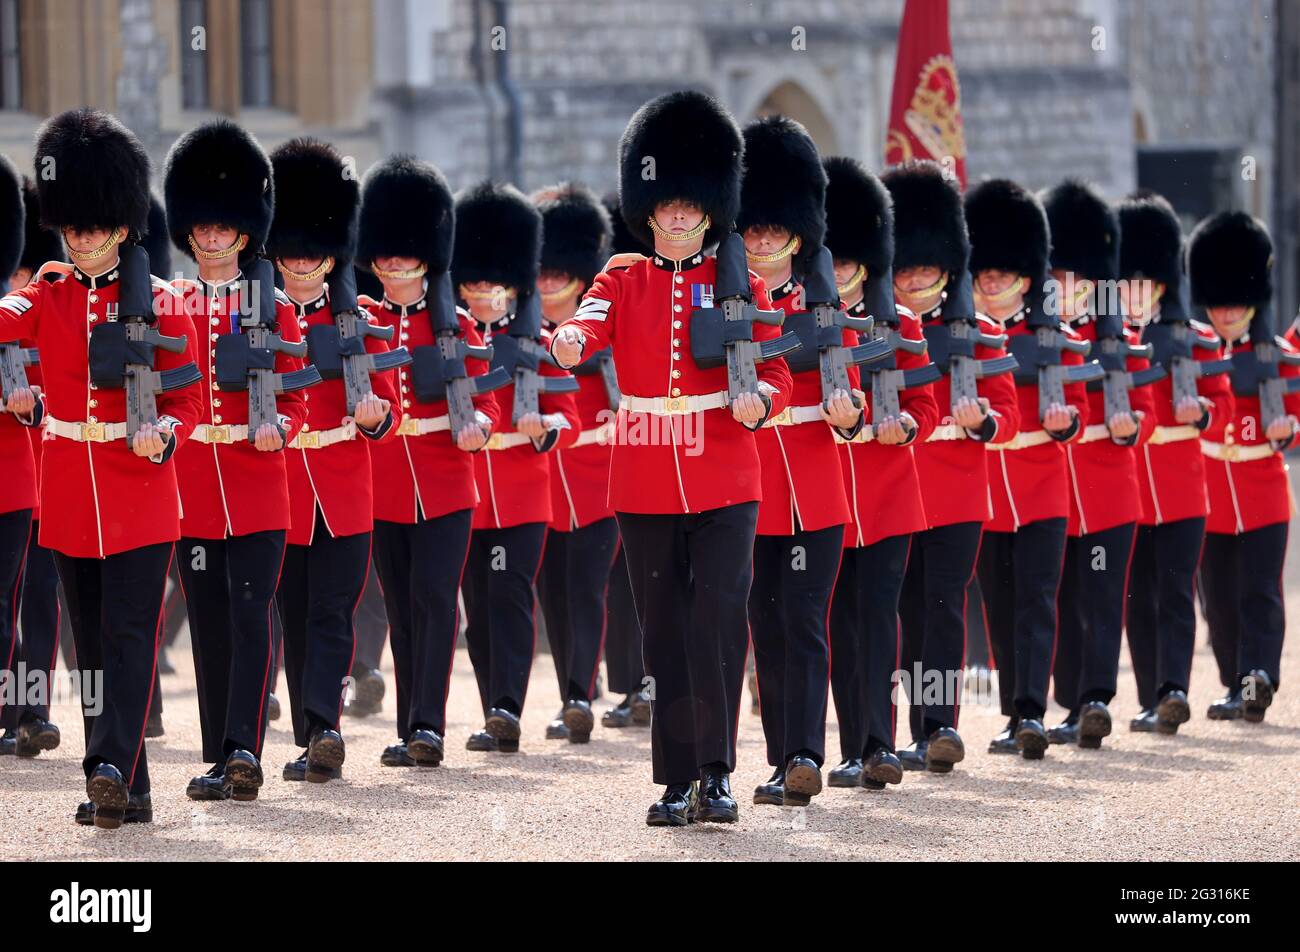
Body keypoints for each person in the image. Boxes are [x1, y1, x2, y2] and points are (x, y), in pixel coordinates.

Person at [551, 91, 792, 826]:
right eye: (668, 206)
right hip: (648, 475)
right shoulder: (622, 276)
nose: (680, 216)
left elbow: (776, 372)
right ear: (648, 208)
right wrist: (570, 340)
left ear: (711, 209)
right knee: (664, 630)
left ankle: (716, 774)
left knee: (717, 625)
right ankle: (674, 775)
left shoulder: (741, 284)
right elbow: (591, 318)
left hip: (726, 474)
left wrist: (765, 403)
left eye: (692, 205)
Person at [0, 109, 203, 827]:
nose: (82, 239)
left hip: (140, 491)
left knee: (128, 635)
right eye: (72, 227)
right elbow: (4, 319)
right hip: (67, 493)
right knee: (90, 649)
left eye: (94, 226)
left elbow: (191, 394)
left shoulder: (166, 302)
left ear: (122, 224)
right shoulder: (49, 291)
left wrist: (166, 431)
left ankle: (108, 767)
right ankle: (131, 786)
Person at [163, 119, 307, 802]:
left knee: (252, 614)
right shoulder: (168, 306)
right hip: (192, 486)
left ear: (246, 235)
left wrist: (282, 422)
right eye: (204, 229)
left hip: (258, 485)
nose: (214, 239)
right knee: (210, 625)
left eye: (226, 229)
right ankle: (220, 753)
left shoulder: (274, 308)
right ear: (190, 234)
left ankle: (245, 748)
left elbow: (302, 389)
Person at [267, 138, 400, 784]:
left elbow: (391, 401)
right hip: (283, 488)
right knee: (294, 613)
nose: (300, 264)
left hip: (345, 487)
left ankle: (325, 727)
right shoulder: (256, 316)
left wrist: (376, 416)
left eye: (311, 252)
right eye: (290, 252)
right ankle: (308, 729)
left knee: (330, 612)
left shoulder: (365, 316)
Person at [360, 154, 498, 768]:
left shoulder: (460, 328)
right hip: (386, 483)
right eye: (384, 254)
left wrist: (481, 426)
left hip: (445, 482)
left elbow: (487, 400)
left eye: (402, 253)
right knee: (399, 605)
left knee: (436, 598)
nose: (392, 264)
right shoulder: (362, 325)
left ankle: (428, 723)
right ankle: (407, 723)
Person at [738, 117, 856, 808]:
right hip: (748, 491)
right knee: (767, 626)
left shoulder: (825, 305)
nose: (760, 240)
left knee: (804, 624)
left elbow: (858, 389)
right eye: (751, 228)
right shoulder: (724, 302)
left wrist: (854, 415)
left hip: (814, 488)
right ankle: (784, 758)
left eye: (772, 228)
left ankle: (808, 752)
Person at [888, 159, 1018, 775]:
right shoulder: (880, 330)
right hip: (897, 484)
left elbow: (1010, 414)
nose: (914, 280)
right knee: (902, 607)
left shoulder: (982, 334)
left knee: (942, 605)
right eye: (905, 267)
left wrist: (983, 422)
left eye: (926, 269)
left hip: (960, 490)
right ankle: (901, 728)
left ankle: (939, 726)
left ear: (948, 269)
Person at [966, 178, 1088, 761]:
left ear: (1025, 277)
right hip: (988, 489)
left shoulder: (1055, 339)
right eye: (984, 275)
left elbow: (1080, 414)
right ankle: (1016, 710)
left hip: (1043, 487)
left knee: (1038, 598)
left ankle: (1034, 710)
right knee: (1000, 601)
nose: (992, 284)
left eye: (1002, 275)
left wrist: (1064, 420)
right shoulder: (966, 339)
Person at [457, 182, 579, 754]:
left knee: (510, 596)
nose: (484, 293)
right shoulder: (452, 341)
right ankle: (492, 709)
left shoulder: (542, 341)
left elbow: (568, 417)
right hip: (466, 493)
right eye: (474, 282)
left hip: (524, 492)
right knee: (477, 612)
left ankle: (508, 705)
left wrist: (543, 430)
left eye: (493, 283)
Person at [829, 159, 939, 788]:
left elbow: (923, 401)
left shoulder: (901, 323)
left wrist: (909, 425)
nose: (840, 274)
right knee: (839, 622)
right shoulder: (802, 322)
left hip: (889, 490)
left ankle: (879, 743)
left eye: (849, 264)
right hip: (827, 495)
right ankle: (849, 745)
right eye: (833, 262)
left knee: (879, 615)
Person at [1042, 180, 1155, 749]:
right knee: (1061, 597)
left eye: (1077, 280)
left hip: (1109, 490)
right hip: (1056, 490)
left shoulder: (1119, 338)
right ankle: (1069, 700)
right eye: (1058, 278)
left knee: (1103, 596)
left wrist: (1131, 423)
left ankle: (1096, 699)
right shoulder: (1038, 338)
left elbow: (1146, 408)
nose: (1066, 289)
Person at [1118, 192, 1232, 735]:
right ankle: (1149, 696)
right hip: (1130, 488)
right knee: (1139, 598)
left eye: (1146, 285)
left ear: (1163, 286)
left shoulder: (1197, 340)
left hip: (1184, 486)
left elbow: (1224, 400)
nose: (1137, 296)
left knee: (1177, 590)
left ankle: (1175, 689)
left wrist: (1204, 409)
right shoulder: (1106, 344)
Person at [1188, 211, 1297, 724]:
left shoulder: (1278, 357)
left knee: (1260, 593)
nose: (1228, 316)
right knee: (1219, 601)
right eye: (1220, 307)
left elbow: (1295, 415)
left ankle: (1258, 679)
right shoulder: (1193, 353)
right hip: (1208, 494)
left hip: (1262, 491)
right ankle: (1236, 685)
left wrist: (1288, 432)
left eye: (1237, 307)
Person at [532, 183, 618, 745]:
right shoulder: (520, 331)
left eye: (558, 271)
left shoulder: (601, 326)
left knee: (585, 588)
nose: (547, 281)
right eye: (541, 271)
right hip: (541, 486)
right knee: (553, 594)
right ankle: (571, 690)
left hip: (598, 481)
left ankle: (579, 694)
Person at [0, 171, 64, 759]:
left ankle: (33, 710)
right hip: (22, 475)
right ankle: (9, 708)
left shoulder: (47, 309)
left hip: (51, 475)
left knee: (41, 598)